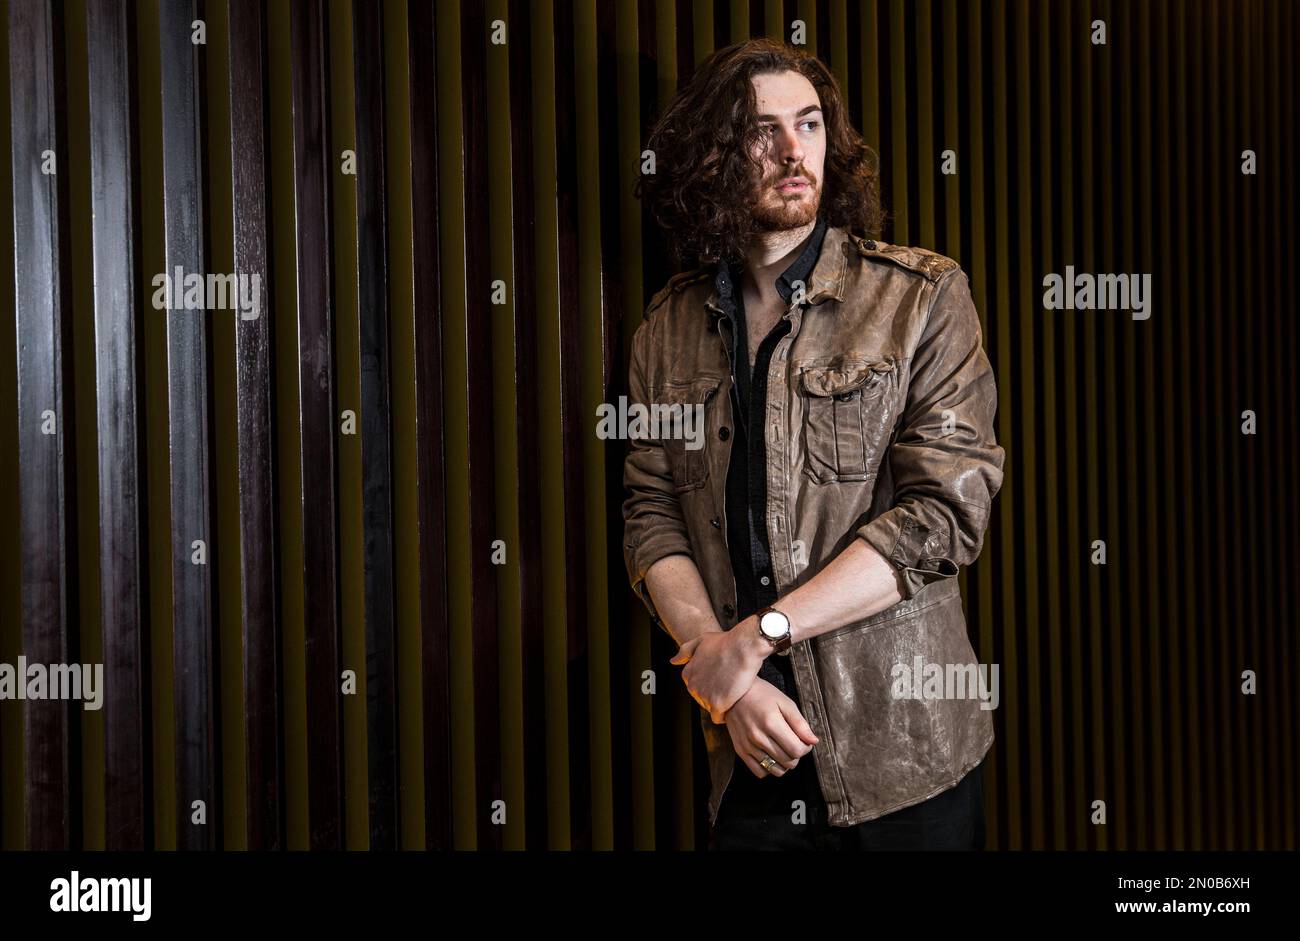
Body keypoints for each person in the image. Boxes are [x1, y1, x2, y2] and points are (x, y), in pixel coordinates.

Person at [624, 37, 1005, 850]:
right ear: (716, 157)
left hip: (908, 757)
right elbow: (651, 513)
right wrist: (718, 669)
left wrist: (759, 638)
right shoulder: (664, 332)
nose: (795, 152)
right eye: (765, 131)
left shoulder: (923, 298)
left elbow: (944, 513)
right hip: (749, 754)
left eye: (809, 125)